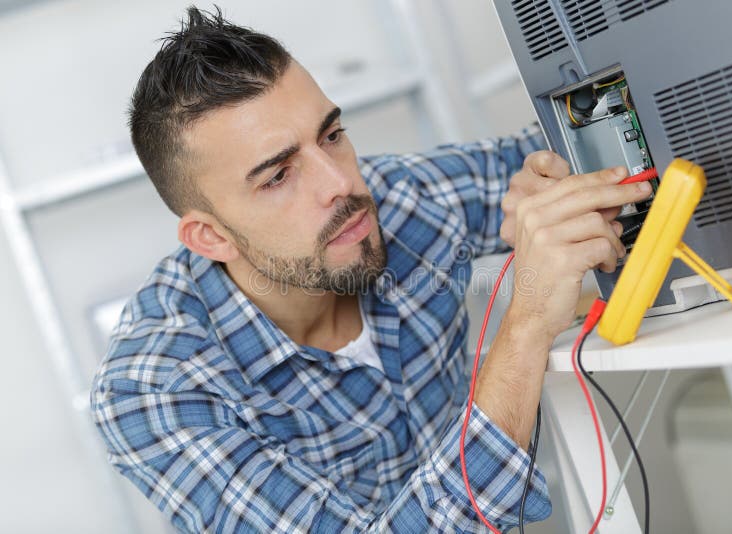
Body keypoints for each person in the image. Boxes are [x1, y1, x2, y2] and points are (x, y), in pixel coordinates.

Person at [90, 6, 651, 533]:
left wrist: (548, 188)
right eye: (278, 176)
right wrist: (526, 323)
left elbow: (570, 148)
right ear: (209, 237)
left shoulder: (398, 200)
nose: (342, 185)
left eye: (331, 137)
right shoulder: (155, 392)